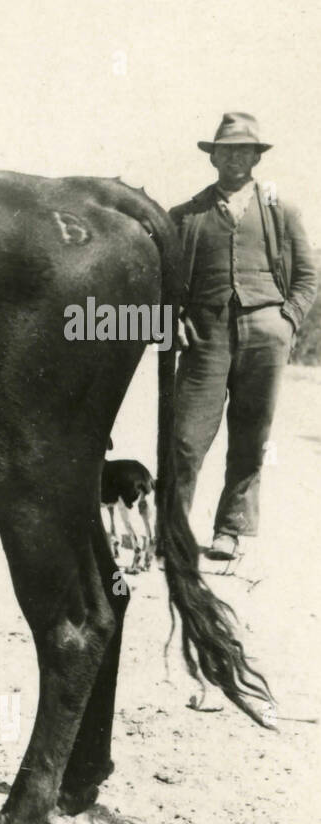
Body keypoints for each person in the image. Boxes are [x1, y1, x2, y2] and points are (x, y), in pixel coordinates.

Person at [169, 112, 317, 560]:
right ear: (213, 157)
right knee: (185, 436)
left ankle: (229, 531)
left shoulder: (280, 210)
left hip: (265, 330)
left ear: (256, 157)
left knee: (251, 437)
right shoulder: (186, 215)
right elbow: (167, 281)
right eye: (226, 149)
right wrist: (170, 319)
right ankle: (172, 532)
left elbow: (308, 277)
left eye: (244, 149)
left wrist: (286, 320)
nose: (235, 157)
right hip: (205, 334)